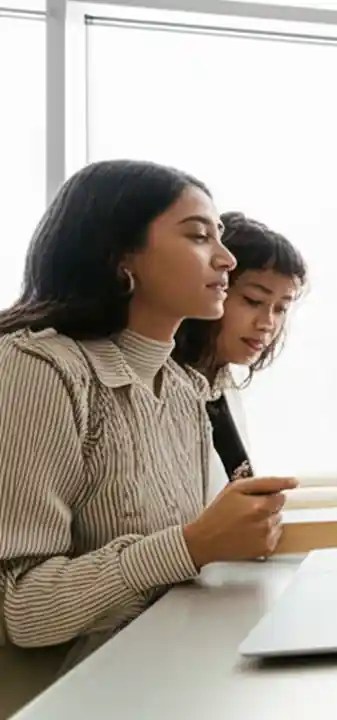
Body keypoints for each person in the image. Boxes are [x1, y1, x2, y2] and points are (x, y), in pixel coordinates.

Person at [0, 160, 296, 712]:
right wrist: (194, 544)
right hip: (88, 696)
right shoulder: (38, 367)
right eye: (199, 235)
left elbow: (184, 565)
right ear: (121, 257)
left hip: (175, 671)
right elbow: (22, 608)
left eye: (221, 238)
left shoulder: (184, 388)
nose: (227, 259)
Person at [173, 211, 308, 491]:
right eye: (253, 300)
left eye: (281, 308)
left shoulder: (223, 386)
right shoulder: (165, 390)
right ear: (214, 287)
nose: (267, 323)